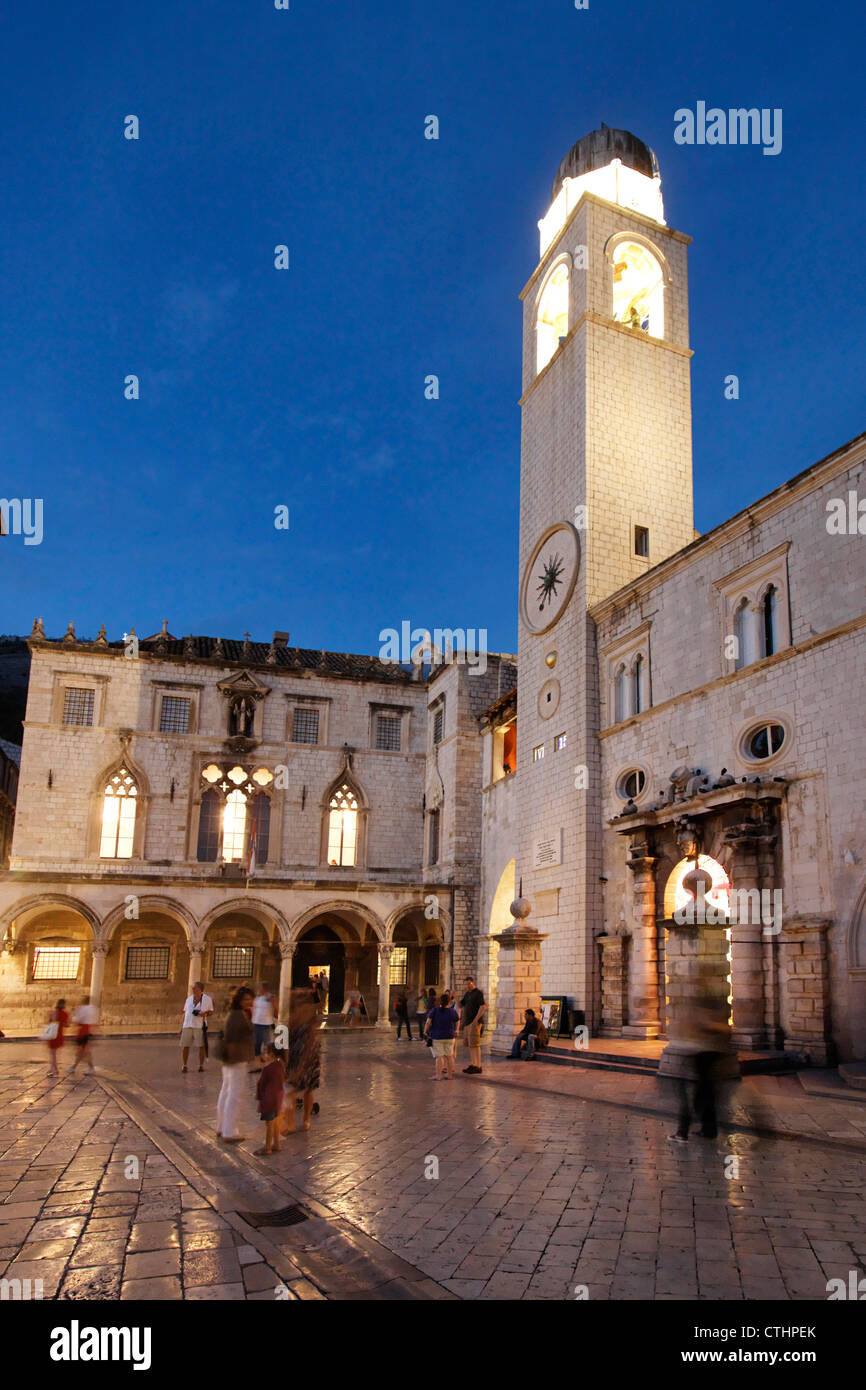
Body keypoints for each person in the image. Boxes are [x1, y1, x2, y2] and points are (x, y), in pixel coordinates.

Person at [669, 988, 732, 1143]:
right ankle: (707, 1129)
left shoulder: (699, 1010)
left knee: (692, 1095)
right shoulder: (709, 1008)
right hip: (702, 1054)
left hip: (697, 1054)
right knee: (703, 1093)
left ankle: (684, 1131)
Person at [216, 985, 255, 1143]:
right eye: (245, 999)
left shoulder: (236, 1014)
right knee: (234, 1094)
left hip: (231, 1059)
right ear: (239, 1000)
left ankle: (221, 1126)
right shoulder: (237, 1016)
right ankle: (229, 1131)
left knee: (226, 1091)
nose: (249, 1001)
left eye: (250, 998)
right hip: (236, 1059)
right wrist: (235, 1058)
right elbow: (232, 1039)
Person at [281, 988, 322, 1133]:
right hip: (294, 1053)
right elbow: (282, 1038)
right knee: (290, 1089)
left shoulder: (310, 1018)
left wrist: (301, 1067)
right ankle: (290, 1122)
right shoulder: (289, 1016)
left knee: (307, 1089)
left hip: (308, 1057)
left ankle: (305, 1119)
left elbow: (311, 1041)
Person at [255, 1042, 286, 1155]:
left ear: (271, 1054)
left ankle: (267, 1147)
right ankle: (276, 1144)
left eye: (265, 1053)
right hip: (278, 1097)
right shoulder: (281, 1065)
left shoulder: (267, 1069)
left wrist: (259, 1096)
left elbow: (261, 1084)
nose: (263, 1055)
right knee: (275, 1121)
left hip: (268, 1099)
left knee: (269, 1124)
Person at [180, 980, 214, 1073]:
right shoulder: (189, 999)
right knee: (185, 1045)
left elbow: (211, 1011)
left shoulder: (207, 999)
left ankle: (201, 1065)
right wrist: (181, 1026)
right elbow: (185, 1012)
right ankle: (185, 1065)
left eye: (194, 987)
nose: (193, 989)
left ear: (199, 989)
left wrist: (205, 1014)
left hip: (199, 1025)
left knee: (201, 1046)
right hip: (187, 1024)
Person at [425, 993, 460, 1080]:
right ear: (449, 1002)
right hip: (449, 1036)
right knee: (449, 1056)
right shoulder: (452, 1011)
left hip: (437, 1037)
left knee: (439, 1057)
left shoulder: (435, 1010)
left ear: (440, 1001)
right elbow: (457, 1020)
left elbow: (428, 1022)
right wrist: (456, 1030)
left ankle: (438, 1076)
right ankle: (449, 1075)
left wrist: (425, 1031)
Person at [459, 975, 487, 1075]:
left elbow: (483, 1006)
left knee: (475, 1044)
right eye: (466, 984)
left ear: (472, 982)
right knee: (470, 1045)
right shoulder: (467, 994)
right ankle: (473, 1064)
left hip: (474, 1022)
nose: (467, 986)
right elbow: (461, 1004)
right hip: (467, 1022)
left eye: (469, 984)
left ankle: (478, 1066)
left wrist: (476, 1020)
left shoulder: (478, 993)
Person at [67, 995, 98, 1075]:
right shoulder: (93, 1008)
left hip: (83, 1030)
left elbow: (77, 1019)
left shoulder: (81, 1008)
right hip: (90, 1030)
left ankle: (89, 1067)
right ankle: (74, 1066)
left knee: (82, 1051)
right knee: (83, 1050)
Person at [249, 983, 274, 1072]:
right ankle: (258, 1066)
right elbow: (254, 1009)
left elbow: (275, 1008)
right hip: (256, 1024)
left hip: (265, 1024)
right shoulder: (257, 998)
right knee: (256, 1045)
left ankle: (268, 1066)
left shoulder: (270, 998)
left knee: (267, 1046)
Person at [45, 998, 69, 1076]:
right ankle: (52, 1068)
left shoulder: (53, 1013)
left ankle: (55, 1070)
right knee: (55, 1053)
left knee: (52, 1053)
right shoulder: (65, 1014)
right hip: (60, 1034)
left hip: (53, 1034)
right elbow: (66, 1024)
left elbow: (49, 1022)